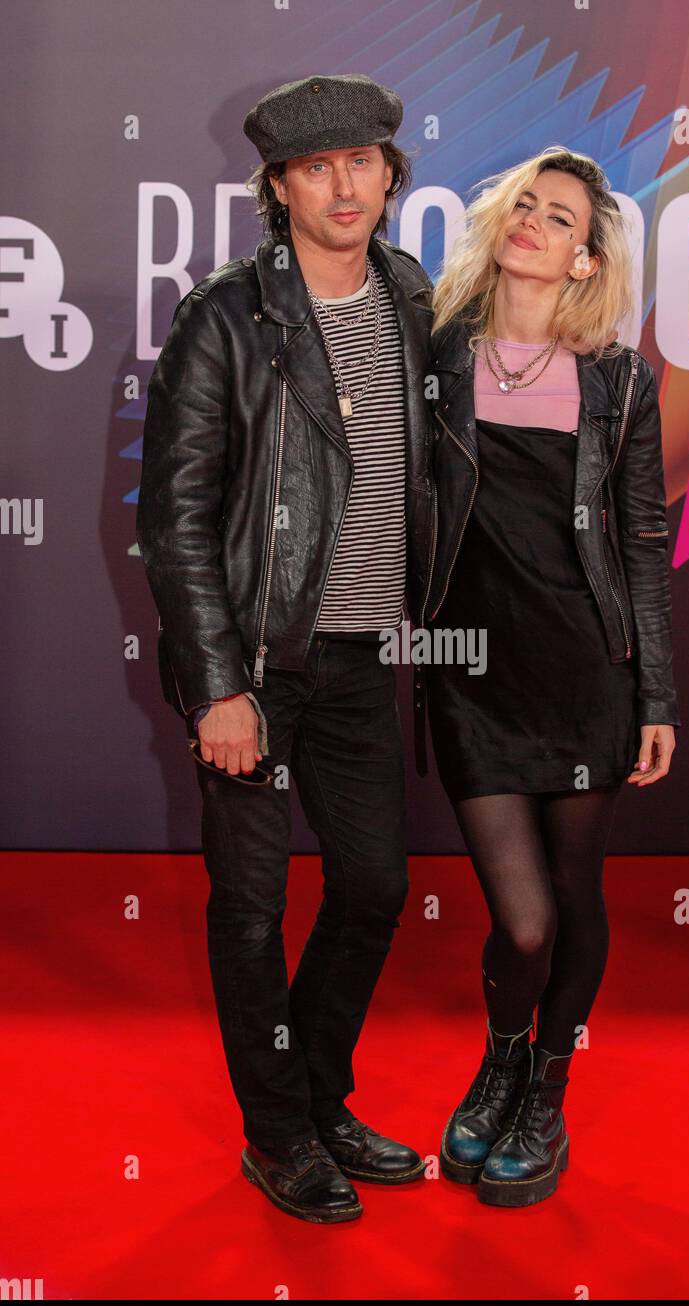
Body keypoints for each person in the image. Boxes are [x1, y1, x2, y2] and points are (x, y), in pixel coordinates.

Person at [136, 74, 436, 1224]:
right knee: (253, 906)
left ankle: (316, 1094)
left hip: (361, 655)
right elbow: (174, 516)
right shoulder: (227, 314)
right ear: (277, 188)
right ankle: (276, 1134)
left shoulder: (409, 296)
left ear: (389, 174)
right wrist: (217, 686)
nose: (344, 182)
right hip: (254, 670)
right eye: (317, 167)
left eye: (361, 160)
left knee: (373, 887)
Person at [419, 146, 681, 1208]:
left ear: (584, 259)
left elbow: (642, 540)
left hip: (584, 673)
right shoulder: (434, 357)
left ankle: (544, 1087)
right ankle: (500, 1052)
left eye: (558, 215)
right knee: (520, 921)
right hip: (467, 673)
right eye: (521, 203)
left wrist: (656, 692)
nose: (531, 221)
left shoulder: (617, 380)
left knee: (575, 898)